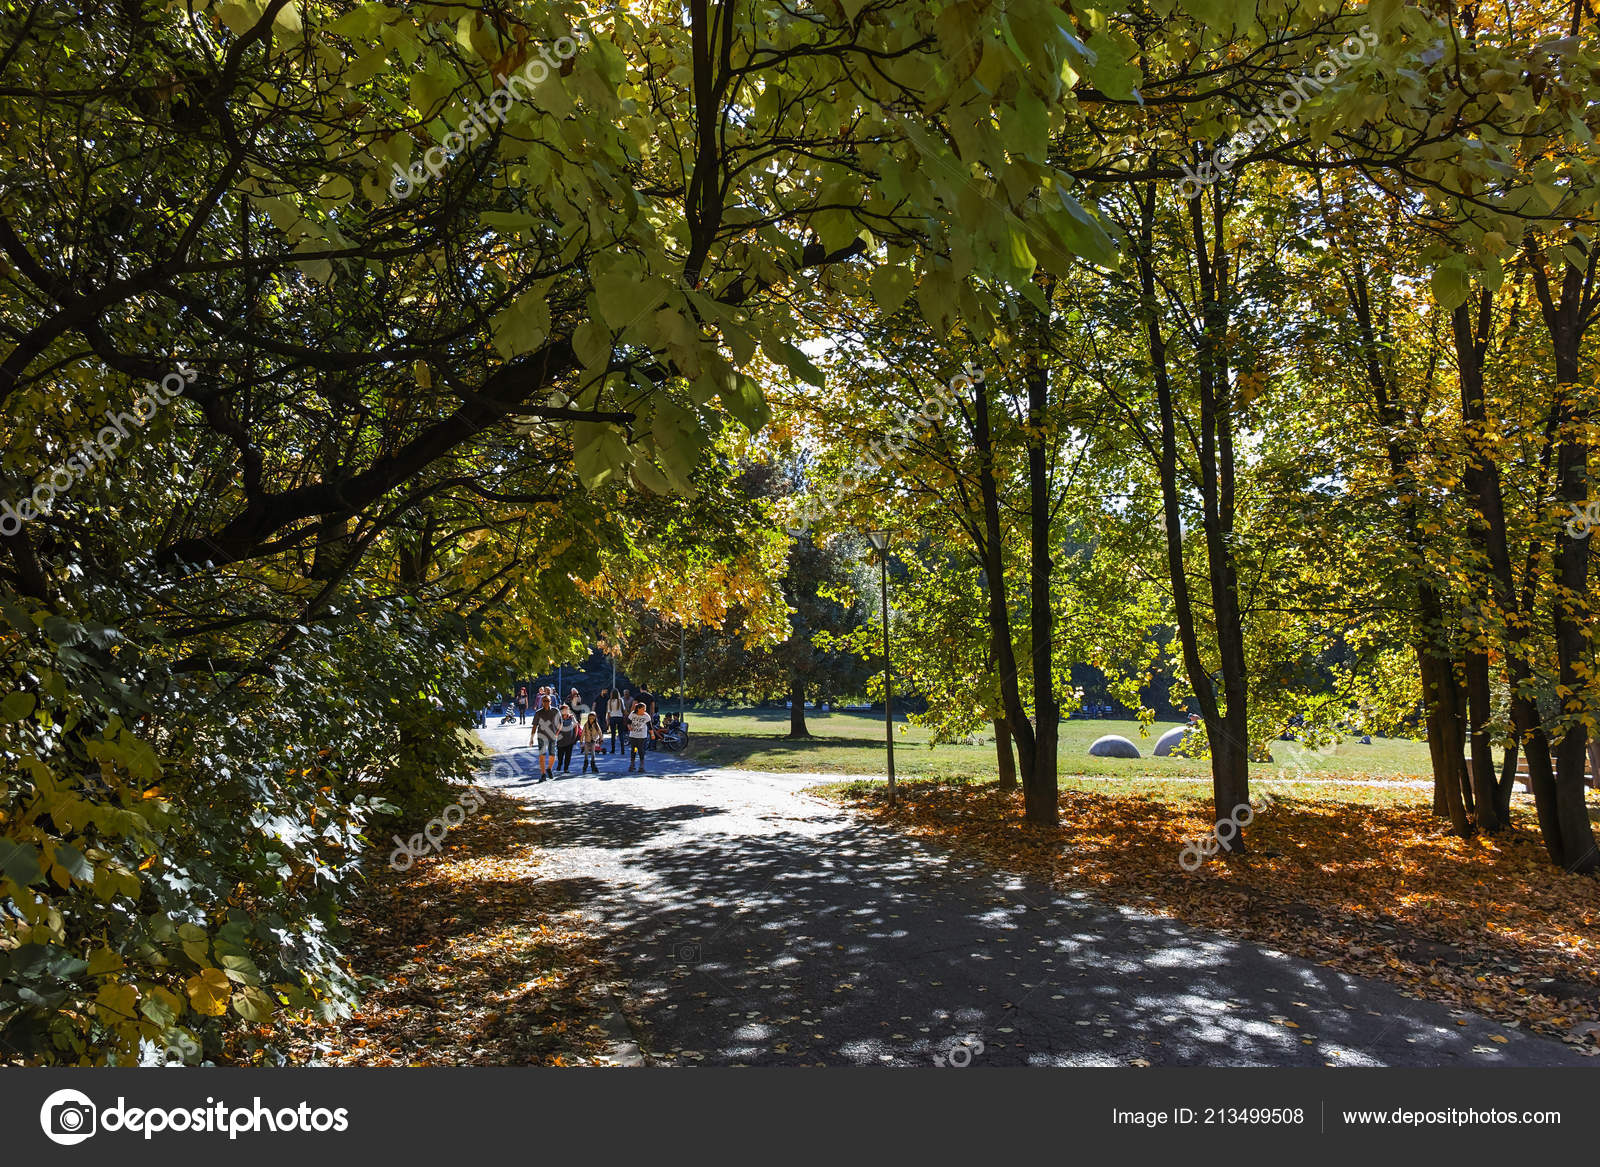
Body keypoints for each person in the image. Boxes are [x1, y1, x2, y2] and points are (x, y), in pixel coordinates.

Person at [529, 694, 558, 780]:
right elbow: (534, 726)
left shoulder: (555, 711)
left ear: (551, 702)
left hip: (552, 736)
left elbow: (560, 723)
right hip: (541, 736)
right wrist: (531, 739)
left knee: (552, 755)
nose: (546, 703)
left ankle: (549, 768)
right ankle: (543, 774)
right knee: (542, 755)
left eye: (548, 701)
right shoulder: (538, 712)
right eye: (544, 701)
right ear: (542, 702)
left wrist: (557, 733)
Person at [627, 700, 651, 773]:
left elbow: (650, 726)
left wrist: (652, 734)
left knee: (640, 750)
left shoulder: (646, 716)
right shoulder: (633, 714)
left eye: (645, 709)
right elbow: (628, 722)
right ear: (638, 709)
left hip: (641, 736)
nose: (644, 710)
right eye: (643, 709)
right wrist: (629, 727)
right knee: (634, 749)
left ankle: (641, 765)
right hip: (633, 735)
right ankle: (632, 764)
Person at [555, 703, 580, 773]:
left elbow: (576, 726)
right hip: (560, 740)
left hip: (570, 740)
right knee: (560, 755)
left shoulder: (571, 717)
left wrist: (575, 736)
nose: (565, 711)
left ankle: (566, 768)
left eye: (567, 709)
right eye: (563, 710)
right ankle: (559, 765)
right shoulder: (558, 718)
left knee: (568, 755)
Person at [607, 688, 625, 753]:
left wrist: (608, 721)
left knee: (613, 734)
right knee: (621, 734)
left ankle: (613, 749)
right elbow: (623, 710)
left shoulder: (610, 701)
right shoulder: (620, 700)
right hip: (620, 717)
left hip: (612, 718)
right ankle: (622, 749)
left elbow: (609, 712)